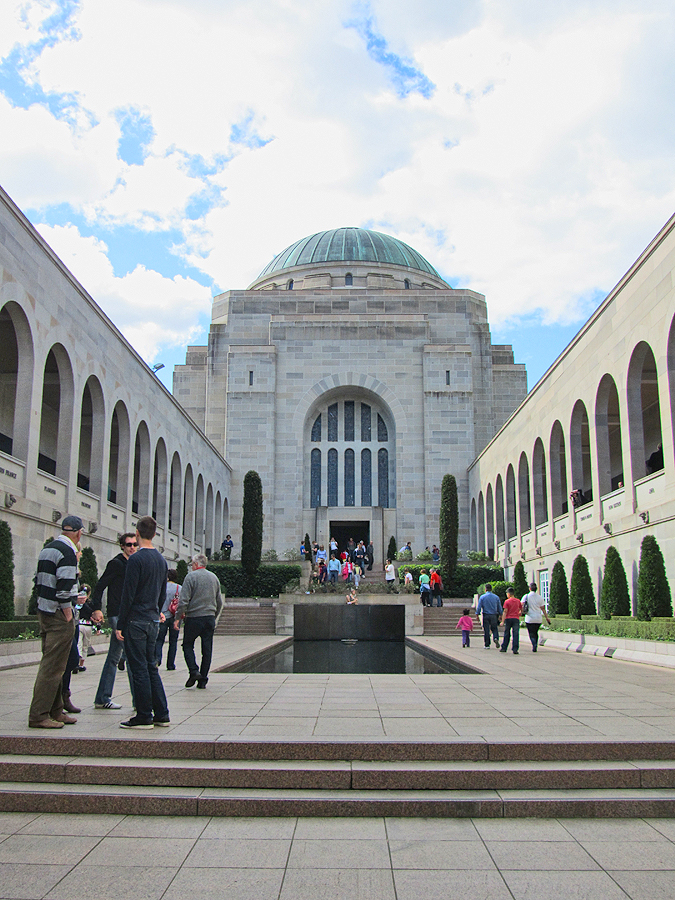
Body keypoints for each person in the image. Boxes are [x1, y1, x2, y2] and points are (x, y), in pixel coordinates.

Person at [28, 515, 85, 728]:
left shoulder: (48, 549)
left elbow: (39, 580)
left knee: (56, 663)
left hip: (44, 610)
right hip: (58, 614)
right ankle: (39, 715)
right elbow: (64, 589)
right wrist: (68, 612)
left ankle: (56, 710)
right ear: (79, 533)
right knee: (52, 667)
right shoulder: (68, 553)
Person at [115, 516, 170, 728]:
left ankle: (144, 715)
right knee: (151, 667)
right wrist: (156, 611)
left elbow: (128, 594)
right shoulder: (161, 560)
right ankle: (162, 713)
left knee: (138, 669)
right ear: (154, 534)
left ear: (137, 533)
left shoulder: (136, 560)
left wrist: (121, 624)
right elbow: (162, 593)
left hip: (136, 619)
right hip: (152, 619)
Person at [91, 533, 137, 710]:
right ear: (122, 546)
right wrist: (96, 608)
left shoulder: (134, 563)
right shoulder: (117, 564)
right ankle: (138, 701)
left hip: (128, 614)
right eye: (128, 544)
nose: (132, 547)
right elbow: (100, 586)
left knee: (113, 657)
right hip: (117, 614)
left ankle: (102, 698)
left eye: (134, 544)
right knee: (131, 656)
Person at [174, 554, 223, 689]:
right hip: (209, 617)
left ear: (196, 564)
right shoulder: (214, 578)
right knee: (207, 650)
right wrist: (214, 616)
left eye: (192, 564)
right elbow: (219, 601)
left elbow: (183, 601)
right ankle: (203, 680)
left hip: (194, 617)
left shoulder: (191, 577)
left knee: (187, 644)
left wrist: (177, 618)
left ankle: (194, 671)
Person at [156, 569, 180, 669]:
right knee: (173, 641)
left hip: (162, 616)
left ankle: (157, 659)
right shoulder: (179, 588)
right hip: (175, 617)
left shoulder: (161, 587)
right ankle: (170, 664)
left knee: (159, 640)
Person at [521, 582, 551, 652]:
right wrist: (547, 618)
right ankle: (535, 644)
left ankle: (534, 644)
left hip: (529, 618)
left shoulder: (526, 596)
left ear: (529, 588)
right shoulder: (540, 597)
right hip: (538, 618)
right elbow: (543, 609)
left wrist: (520, 612)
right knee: (535, 632)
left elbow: (521, 605)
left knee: (531, 633)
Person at [477, 583, 502, 649]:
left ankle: (487, 644)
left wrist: (477, 614)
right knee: (494, 628)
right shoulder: (496, 597)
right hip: (494, 615)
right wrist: (501, 614)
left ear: (485, 589)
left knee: (486, 630)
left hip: (486, 614)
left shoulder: (482, 597)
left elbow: (479, 606)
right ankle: (496, 637)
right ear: (491, 589)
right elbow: (499, 607)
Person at [500, 587, 521, 654]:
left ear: (508, 594)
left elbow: (505, 611)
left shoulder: (507, 601)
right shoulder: (518, 601)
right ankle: (515, 649)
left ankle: (504, 647)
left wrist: (502, 621)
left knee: (507, 633)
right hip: (516, 618)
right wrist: (519, 613)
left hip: (508, 619)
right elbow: (521, 609)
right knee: (516, 634)